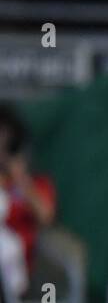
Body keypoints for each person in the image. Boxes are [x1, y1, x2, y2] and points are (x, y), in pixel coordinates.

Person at [0, 106, 57, 270]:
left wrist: (21, 180)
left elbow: (46, 216)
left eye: (6, 145)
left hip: (14, 271)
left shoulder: (35, 182)